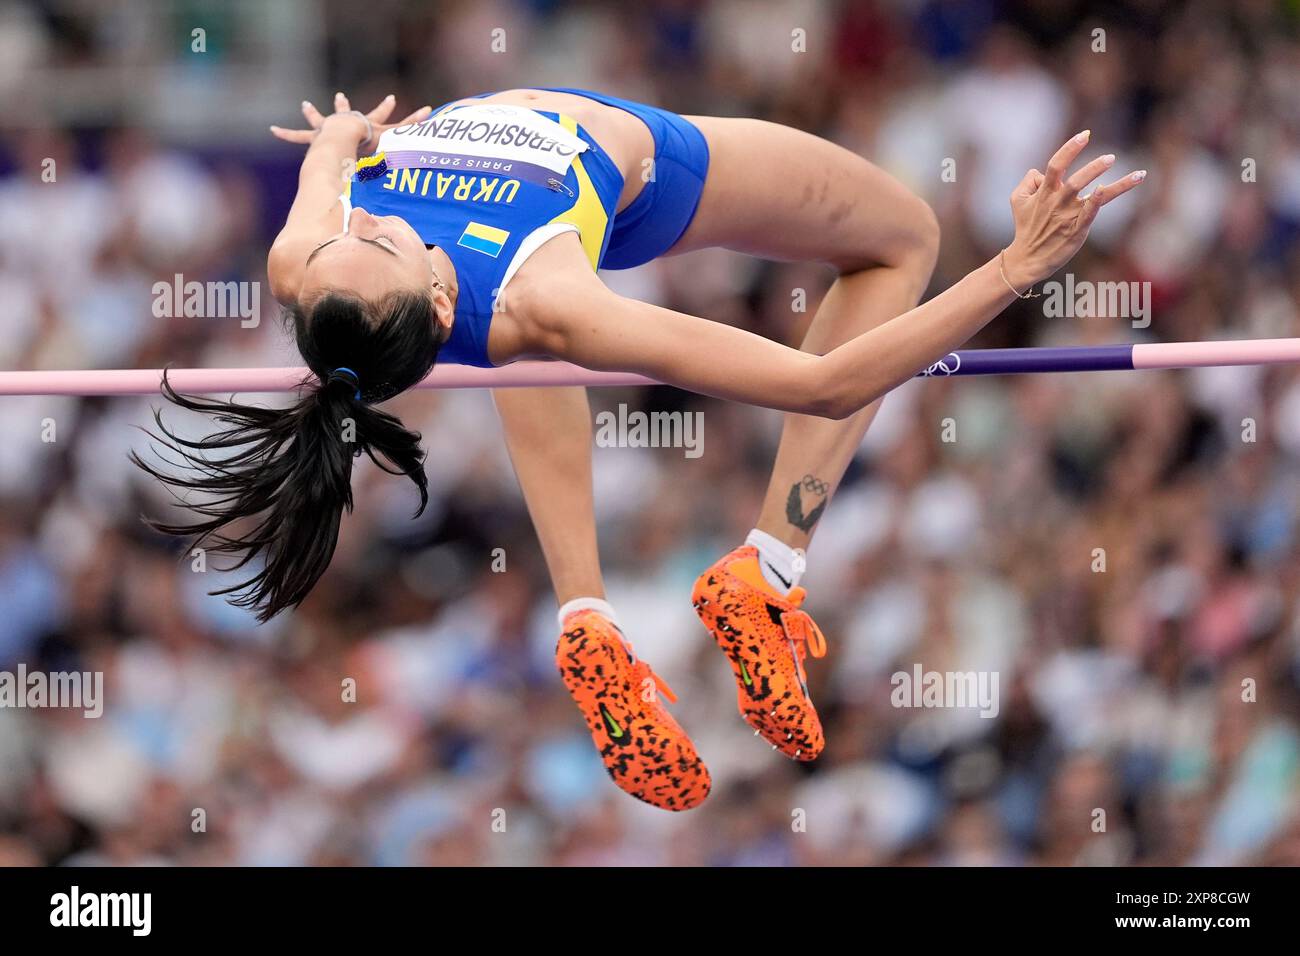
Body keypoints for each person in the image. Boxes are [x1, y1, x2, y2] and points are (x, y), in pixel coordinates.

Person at [134, 88, 1143, 811]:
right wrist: (1015, 266)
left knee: (529, 350)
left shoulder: (308, 260)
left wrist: (345, 134)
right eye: (387, 236)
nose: (376, 217)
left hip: (521, 268)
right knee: (904, 237)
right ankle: (768, 570)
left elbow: (336, 152)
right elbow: (823, 381)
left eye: (364, 229)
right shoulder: (546, 296)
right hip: (636, 174)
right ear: (437, 299)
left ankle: (586, 616)